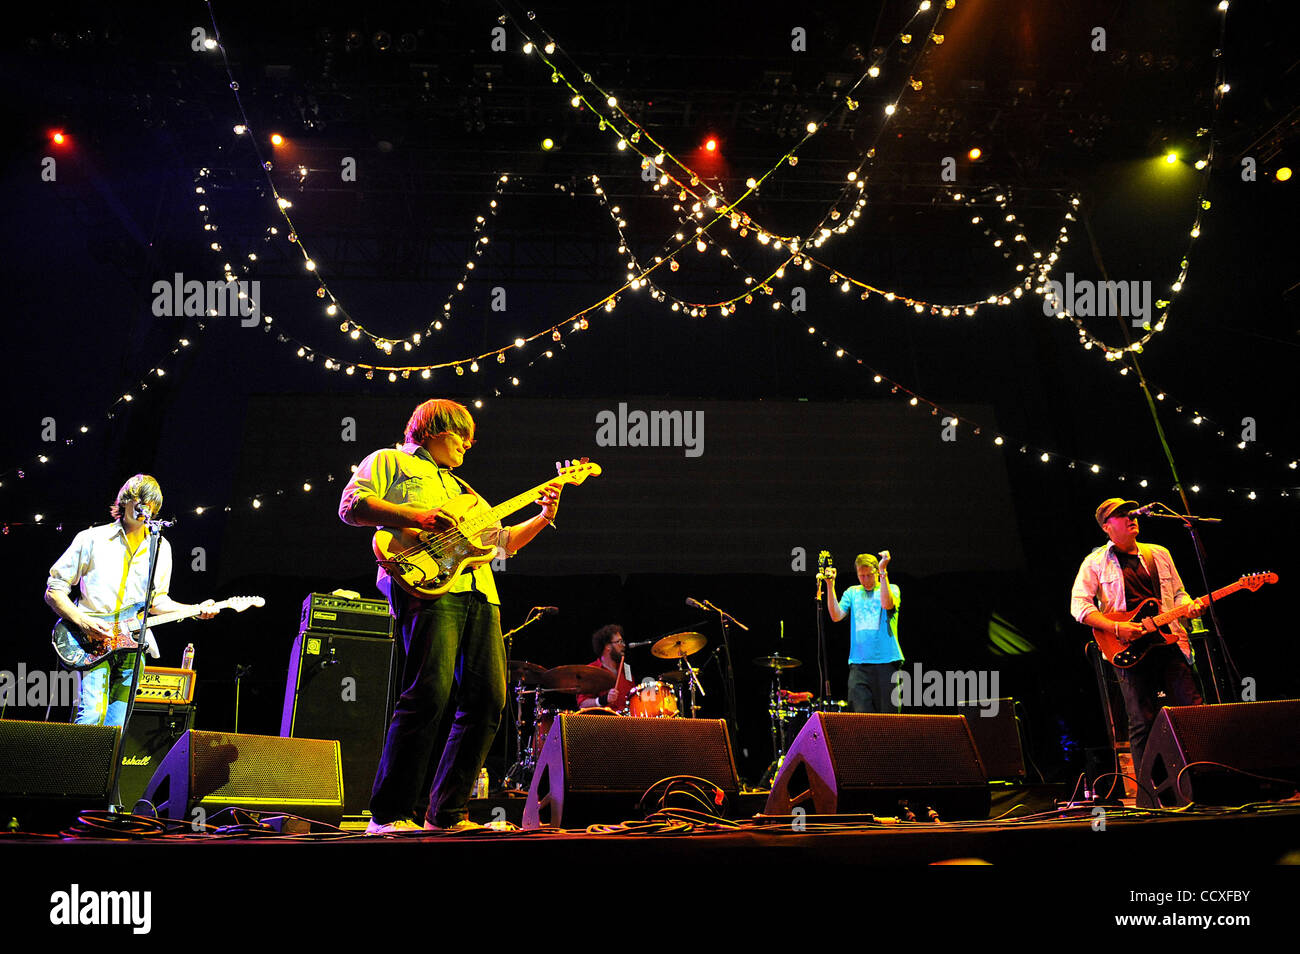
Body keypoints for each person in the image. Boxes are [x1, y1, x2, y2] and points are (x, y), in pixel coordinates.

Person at [338, 398, 561, 834]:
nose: (469, 445)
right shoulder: (388, 461)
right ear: (436, 428)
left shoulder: (464, 490)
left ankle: (447, 814)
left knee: (489, 702)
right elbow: (352, 506)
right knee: (429, 693)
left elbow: (503, 541)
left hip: (481, 594)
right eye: (463, 435)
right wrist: (418, 514)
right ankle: (387, 815)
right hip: (425, 584)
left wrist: (543, 516)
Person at [44, 474, 216, 728]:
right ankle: (76, 768)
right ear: (125, 501)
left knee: (118, 726)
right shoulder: (91, 539)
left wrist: (195, 610)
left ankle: (104, 769)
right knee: (93, 715)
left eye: (150, 503)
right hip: (92, 640)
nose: (143, 506)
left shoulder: (160, 547)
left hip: (133, 643)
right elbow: (54, 589)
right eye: (138, 499)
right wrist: (82, 620)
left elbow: (157, 602)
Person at [1070, 497, 1206, 774]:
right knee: (1142, 721)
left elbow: (1178, 594)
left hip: (1169, 642)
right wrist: (1117, 628)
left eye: (1131, 513)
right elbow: (1079, 606)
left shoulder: (1159, 553)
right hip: (1129, 650)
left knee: (1193, 712)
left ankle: (1205, 778)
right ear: (1107, 527)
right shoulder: (1095, 562)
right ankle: (1150, 790)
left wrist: (1188, 607)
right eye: (1121, 515)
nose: (1131, 518)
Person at [824, 551, 902, 713]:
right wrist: (830, 585)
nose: (866, 579)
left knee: (889, 717)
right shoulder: (853, 592)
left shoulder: (891, 588)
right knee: (861, 717)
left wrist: (882, 572)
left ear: (876, 572)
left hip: (886, 662)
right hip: (859, 664)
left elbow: (887, 605)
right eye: (862, 575)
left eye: (869, 575)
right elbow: (836, 616)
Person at [576, 624, 634, 711]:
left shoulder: (626, 669)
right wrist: (603, 700)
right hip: (605, 721)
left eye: (623, 642)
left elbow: (633, 697)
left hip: (627, 721)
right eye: (619, 642)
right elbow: (583, 704)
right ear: (607, 646)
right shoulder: (591, 670)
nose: (624, 645)